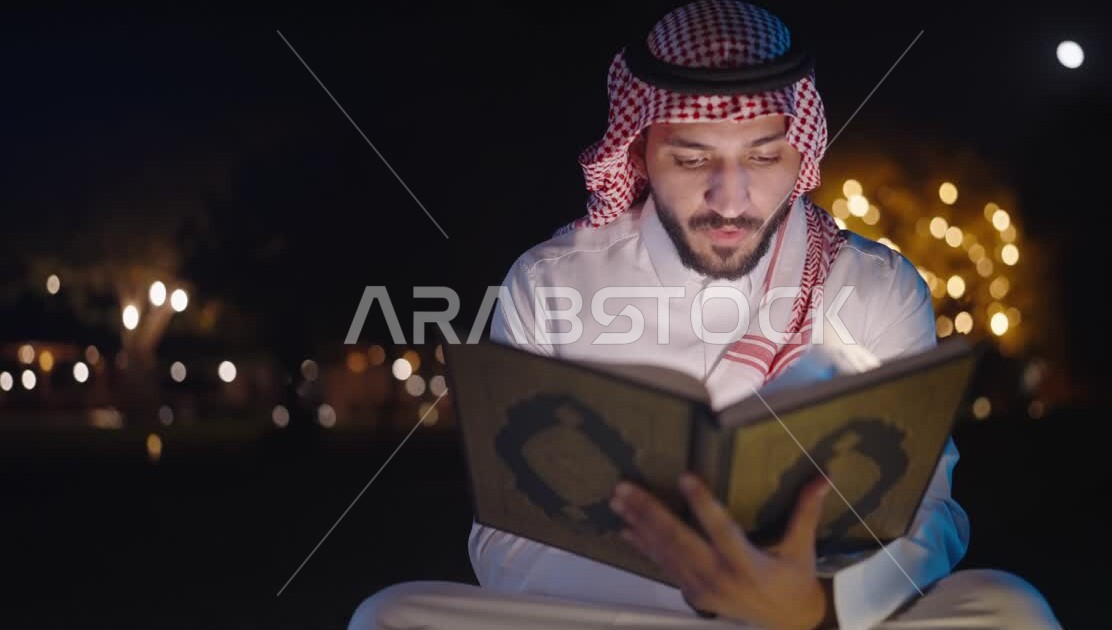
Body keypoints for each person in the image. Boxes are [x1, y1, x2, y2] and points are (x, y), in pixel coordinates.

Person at [349, 1, 1061, 628]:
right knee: (389, 615)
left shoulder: (874, 287)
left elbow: (928, 509)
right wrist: (699, 593)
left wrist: (812, 605)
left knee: (1008, 607)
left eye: (762, 156)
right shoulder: (549, 284)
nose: (731, 198)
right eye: (693, 160)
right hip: (616, 619)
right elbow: (507, 536)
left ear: (800, 151)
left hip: (815, 620)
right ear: (642, 152)